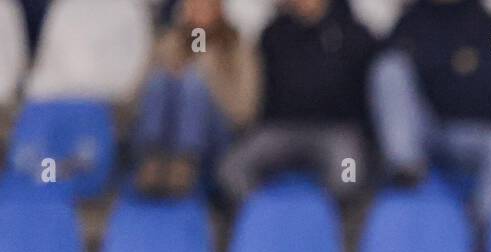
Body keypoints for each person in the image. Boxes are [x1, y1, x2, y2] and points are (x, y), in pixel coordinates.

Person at [368, 0, 491, 227]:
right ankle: (406, 169)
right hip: (424, 128)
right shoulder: (411, 21)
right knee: (389, 69)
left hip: (470, 131)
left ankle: (481, 227)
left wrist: (438, 68)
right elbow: (392, 73)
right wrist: (459, 65)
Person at [217, 0, 375, 205]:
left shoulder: (353, 33)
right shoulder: (273, 34)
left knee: (349, 177)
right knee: (230, 171)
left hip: (337, 131)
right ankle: (267, 217)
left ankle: (324, 221)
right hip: (280, 130)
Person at [133, 0, 261, 199]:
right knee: (160, 80)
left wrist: (211, 77)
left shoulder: (237, 45)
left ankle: (184, 163)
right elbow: (141, 93)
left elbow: (245, 111)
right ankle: (152, 159)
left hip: (217, 136)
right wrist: (170, 64)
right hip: (167, 134)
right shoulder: (172, 39)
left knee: (194, 81)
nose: (198, 12)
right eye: (192, 6)